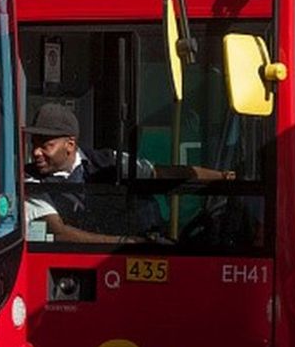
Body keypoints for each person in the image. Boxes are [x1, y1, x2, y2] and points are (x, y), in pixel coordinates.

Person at [24, 102, 234, 244]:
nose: (36, 152)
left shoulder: (107, 161)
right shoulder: (29, 180)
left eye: (45, 145)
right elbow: (58, 232)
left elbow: (159, 173)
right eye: (34, 144)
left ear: (70, 144)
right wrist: (123, 243)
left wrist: (221, 178)